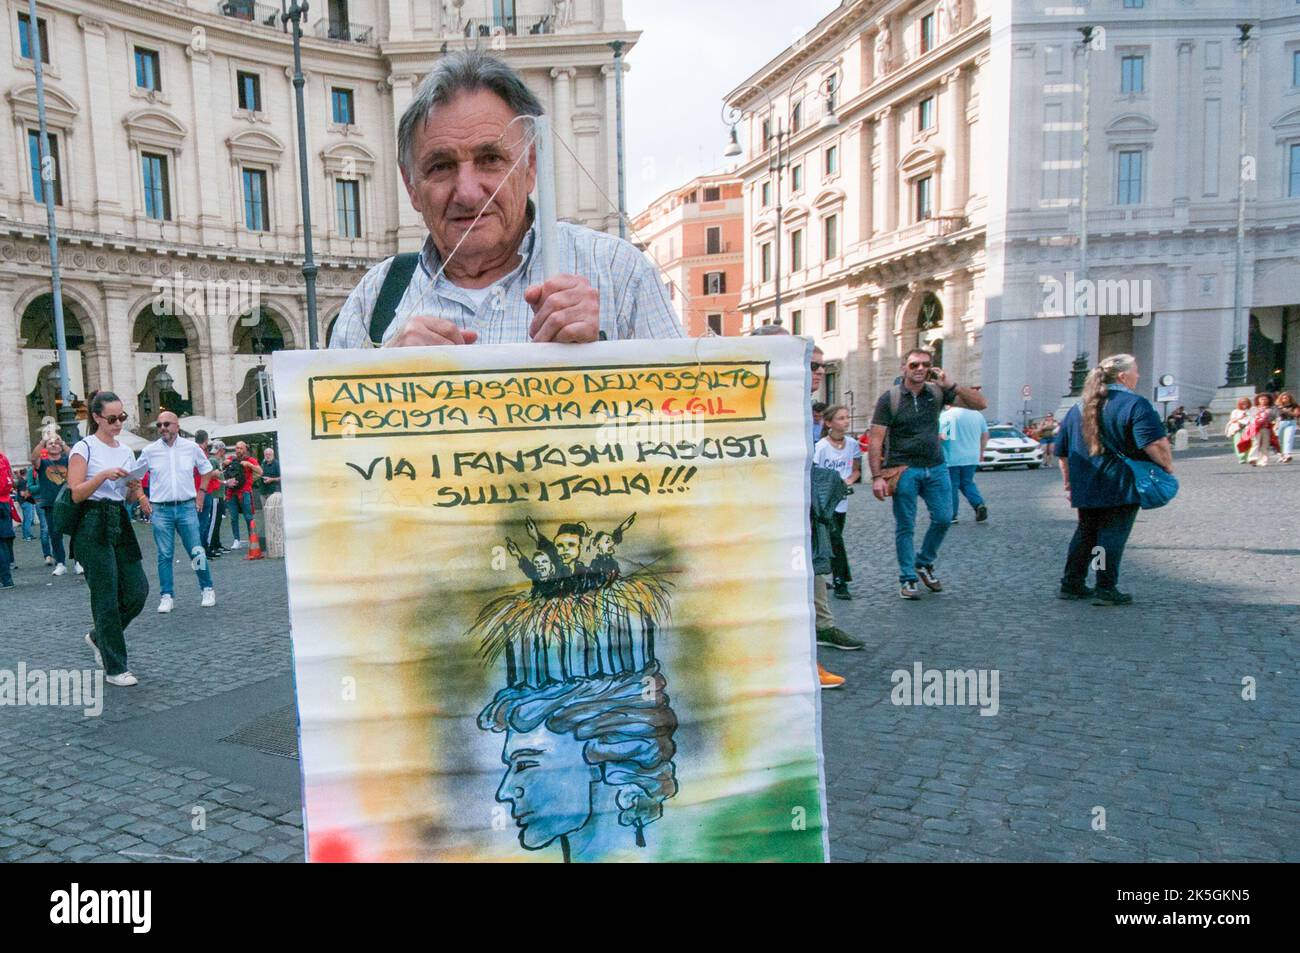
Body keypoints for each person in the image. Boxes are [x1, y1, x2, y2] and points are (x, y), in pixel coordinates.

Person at [329, 50, 681, 351]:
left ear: (530, 167)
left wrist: (600, 358)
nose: (467, 193)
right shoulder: (375, 298)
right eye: (441, 166)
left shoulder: (619, 274)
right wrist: (379, 379)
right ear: (411, 186)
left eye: (491, 159)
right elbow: (327, 424)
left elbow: (691, 412)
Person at [868, 349, 988, 600]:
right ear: (904, 368)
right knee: (906, 526)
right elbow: (876, 440)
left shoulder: (937, 392)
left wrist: (950, 384)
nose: (920, 369)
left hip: (936, 466)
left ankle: (923, 562)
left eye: (925, 365)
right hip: (903, 469)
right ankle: (908, 578)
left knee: (944, 517)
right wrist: (877, 476)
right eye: (914, 365)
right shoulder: (889, 398)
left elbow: (981, 404)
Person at [1054, 354, 1173, 606]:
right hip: (1120, 482)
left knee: (1086, 533)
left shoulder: (1078, 407)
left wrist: (1068, 482)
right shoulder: (1135, 404)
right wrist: (1167, 466)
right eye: (1136, 371)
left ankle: (1072, 582)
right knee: (1111, 535)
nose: (1137, 375)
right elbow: (1154, 443)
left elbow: (1062, 452)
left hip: (1085, 482)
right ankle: (1104, 587)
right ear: (1122, 376)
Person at [68, 391, 151, 686]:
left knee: (137, 591)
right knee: (105, 596)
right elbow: (75, 492)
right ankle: (116, 668)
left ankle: (97, 637)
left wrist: (134, 487)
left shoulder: (126, 451)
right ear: (97, 418)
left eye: (122, 417)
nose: (118, 424)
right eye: (112, 418)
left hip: (118, 519)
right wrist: (102, 475)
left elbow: (126, 496)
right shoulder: (83, 448)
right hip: (91, 521)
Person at [139, 411, 216, 612]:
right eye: (159, 425)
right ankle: (166, 595)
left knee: (196, 550)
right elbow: (134, 476)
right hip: (161, 509)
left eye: (166, 424)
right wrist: (141, 497)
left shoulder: (191, 448)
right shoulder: (149, 451)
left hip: (186, 507)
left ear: (176, 425)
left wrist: (201, 493)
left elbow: (207, 470)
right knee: (164, 554)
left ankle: (207, 588)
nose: (163, 428)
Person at [813, 404, 861, 599]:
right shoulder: (821, 447)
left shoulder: (852, 444)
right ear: (829, 423)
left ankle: (824, 573)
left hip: (842, 499)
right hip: (824, 501)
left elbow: (856, 469)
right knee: (835, 538)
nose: (845, 421)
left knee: (834, 537)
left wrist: (848, 481)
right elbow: (816, 472)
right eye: (840, 418)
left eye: (846, 417)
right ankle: (841, 580)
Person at [32, 433, 76, 575]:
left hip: (69, 502)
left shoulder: (67, 460)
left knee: (75, 533)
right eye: (50, 443)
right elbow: (34, 458)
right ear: (46, 447)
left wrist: (62, 442)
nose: (53, 444)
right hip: (50, 504)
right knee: (55, 535)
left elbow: (75, 456)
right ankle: (61, 563)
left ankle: (78, 561)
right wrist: (43, 441)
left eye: (56, 442)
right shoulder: (43, 463)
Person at [939, 403, 989, 524]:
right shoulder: (977, 415)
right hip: (972, 456)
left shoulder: (949, 415)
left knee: (952, 486)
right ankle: (978, 504)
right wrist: (981, 452)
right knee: (967, 482)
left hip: (952, 456)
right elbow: (985, 435)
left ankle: (952, 515)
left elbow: (945, 436)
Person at [223, 441, 262, 548]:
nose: (238, 450)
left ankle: (252, 538)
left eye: (240, 448)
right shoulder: (231, 459)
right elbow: (222, 469)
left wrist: (249, 465)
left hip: (245, 492)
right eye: (237, 448)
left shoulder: (250, 460)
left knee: (248, 516)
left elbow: (260, 472)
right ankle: (236, 540)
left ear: (245, 449)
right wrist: (224, 463)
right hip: (231, 492)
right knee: (233, 517)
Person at [1245, 393, 1279, 467]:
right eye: (1261, 399)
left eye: (1265, 399)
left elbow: (1277, 417)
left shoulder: (1272, 408)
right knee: (1255, 443)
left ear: (1269, 400)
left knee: (1265, 444)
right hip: (1255, 428)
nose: (1263, 400)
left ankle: (1263, 460)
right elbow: (1249, 418)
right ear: (1258, 400)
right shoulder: (1254, 408)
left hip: (1266, 428)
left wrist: (1276, 424)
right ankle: (1252, 458)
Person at [0, 451, 15, 590]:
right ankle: (7, 578)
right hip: (4, 502)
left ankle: (5, 579)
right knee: (3, 542)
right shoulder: (3, 456)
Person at [1225, 397, 1252, 464]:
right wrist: (1241, 417)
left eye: (1246, 402)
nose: (1244, 403)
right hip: (1239, 428)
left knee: (1248, 442)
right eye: (1242, 402)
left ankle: (1248, 456)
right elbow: (1232, 420)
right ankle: (1241, 457)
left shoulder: (1251, 410)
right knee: (1238, 443)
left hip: (1249, 428)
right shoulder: (1235, 411)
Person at [16, 467, 39, 541]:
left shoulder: (21, 481)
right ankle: (27, 536)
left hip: (25, 502)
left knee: (26, 519)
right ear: (26, 474)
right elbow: (22, 493)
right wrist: (30, 493)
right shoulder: (23, 482)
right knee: (28, 519)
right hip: (26, 502)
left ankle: (27, 535)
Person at [1275, 392, 1296, 463]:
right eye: (1283, 398)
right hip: (1281, 423)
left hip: (1291, 422)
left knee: (1288, 438)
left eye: (1287, 397)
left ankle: (1287, 454)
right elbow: (1277, 416)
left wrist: (1286, 410)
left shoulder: (1294, 405)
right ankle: (1281, 455)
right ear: (1281, 399)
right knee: (1280, 440)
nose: (1285, 399)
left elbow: (1296, 414)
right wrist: (1276, 425)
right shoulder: (1277, 406)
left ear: (1290, 398)